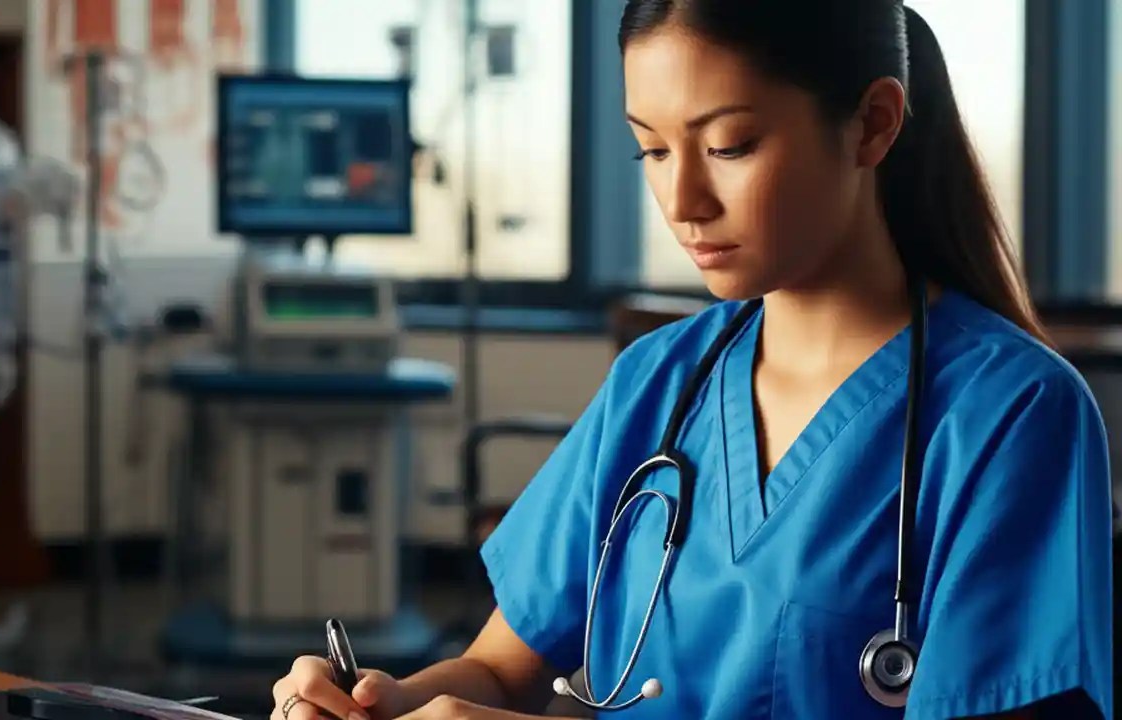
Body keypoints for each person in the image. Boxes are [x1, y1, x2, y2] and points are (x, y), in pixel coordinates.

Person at [270, 1, 1114, 718]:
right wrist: (381, 701)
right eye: (654, 150)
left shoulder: (1013, 416)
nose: (682, 204)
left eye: (729, 146)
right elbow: (496, 671)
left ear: (873, 124)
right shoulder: (656, 384)